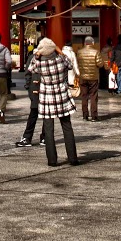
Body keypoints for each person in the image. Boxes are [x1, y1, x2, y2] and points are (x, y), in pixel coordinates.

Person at [28, 37, 80, 167]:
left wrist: (37, 54)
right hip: (61, 95)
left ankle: (52, 160)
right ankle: (73, 158)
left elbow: (31, 68)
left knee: (49, 129)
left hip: (47, 97)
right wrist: (59, 51)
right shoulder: (60, 59)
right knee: (67, 126)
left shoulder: (40, 64)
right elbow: (70, 65)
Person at [77, 36, 102, 122]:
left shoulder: (79, 52)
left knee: (84, 96)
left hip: (83, 77)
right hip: (93, 77)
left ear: (85, 43)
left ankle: (85, 115)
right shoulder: (96, 52)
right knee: (93, 96)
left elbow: (77, 63)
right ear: (92, 43)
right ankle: (94, 116)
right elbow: (100, 64)